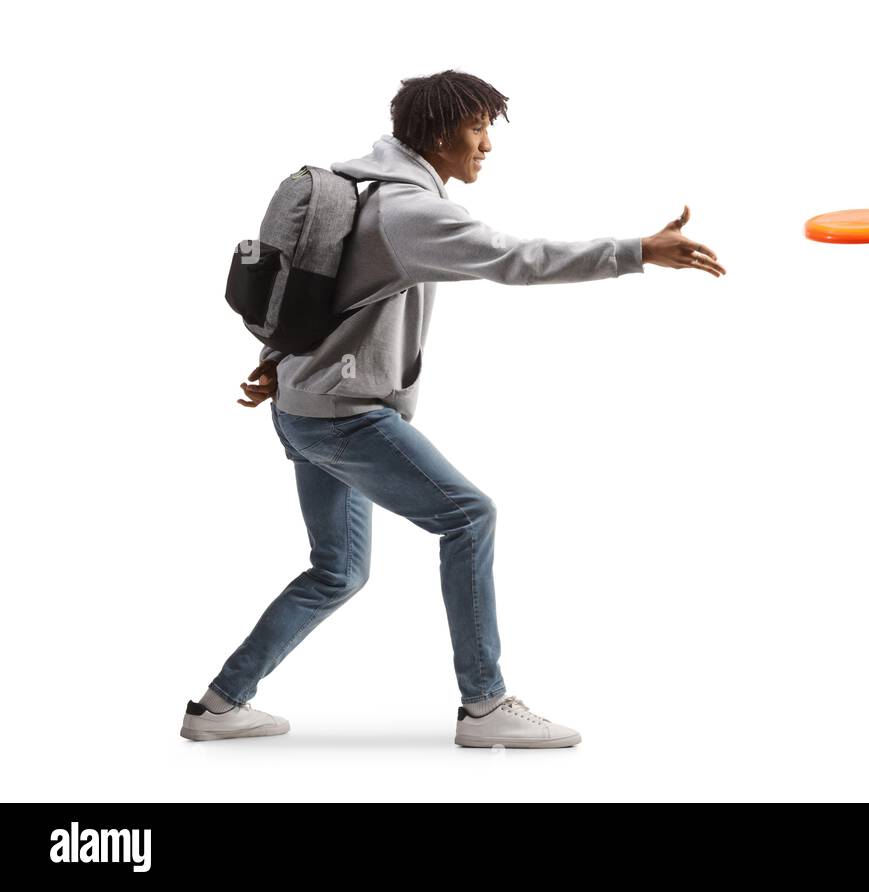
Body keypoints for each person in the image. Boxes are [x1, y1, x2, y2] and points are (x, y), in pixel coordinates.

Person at [180, 70, 725, 747]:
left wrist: (278, 366)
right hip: (346, 414)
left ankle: (219, 704)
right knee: (468, 516)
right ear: (439, 133)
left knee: (338, 569)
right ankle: (484, 704)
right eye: (478, 128)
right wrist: (637, 252)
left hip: (304, 405)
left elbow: (321, 299)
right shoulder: (412, 213)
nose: (487, 144)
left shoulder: (362, 188)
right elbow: (516, 260)